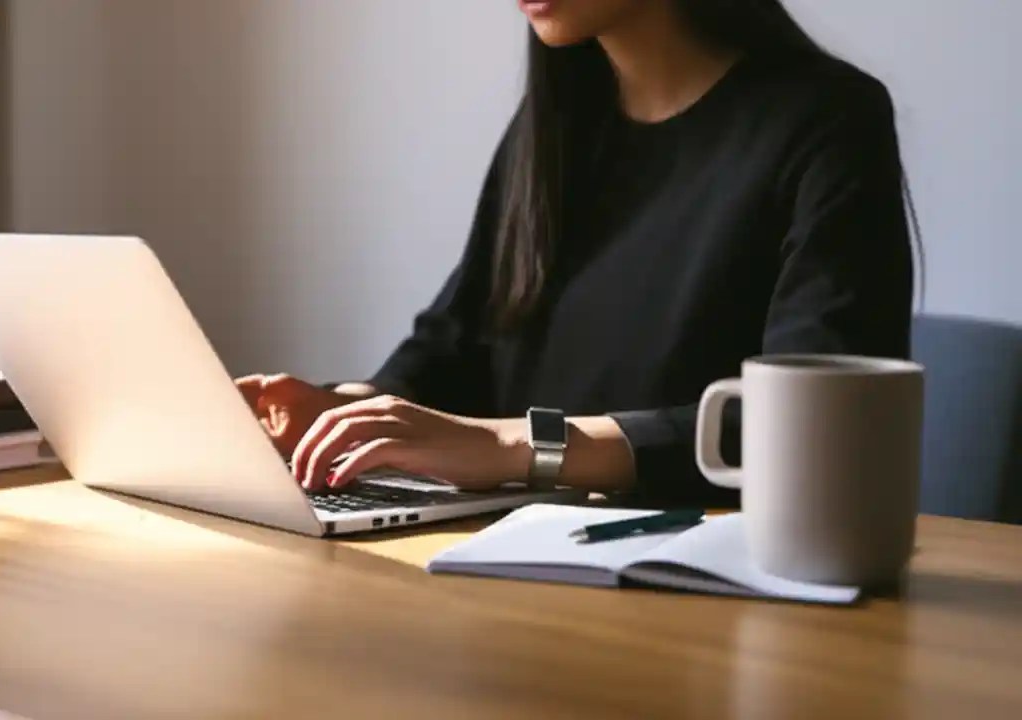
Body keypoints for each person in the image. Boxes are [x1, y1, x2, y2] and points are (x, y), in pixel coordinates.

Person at [236, 0, 916, 507]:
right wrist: (335, 411)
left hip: (708, 599)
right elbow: (451, 349)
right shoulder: (556, 127)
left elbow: (806, 426)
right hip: (522, 588)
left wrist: (510, 446)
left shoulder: (828, 122)